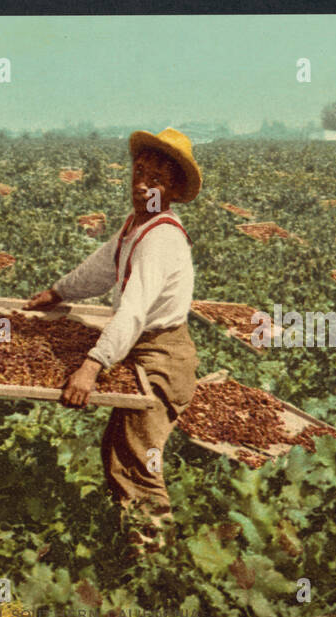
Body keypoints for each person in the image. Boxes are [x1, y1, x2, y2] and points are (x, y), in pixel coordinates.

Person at [25, 127, 201, 555]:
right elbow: (102, 267)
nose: (143, 186)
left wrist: (91, 365)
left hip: (162, 355)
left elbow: (134, 310)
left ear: (174, 190)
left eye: (156, 180)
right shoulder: (136, 225)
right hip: (142, 346)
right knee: (120, 447)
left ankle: (155, 562)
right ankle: (132, 539)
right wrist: (59, 292)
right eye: (139, 173)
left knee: (139, 458)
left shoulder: (161, 237)